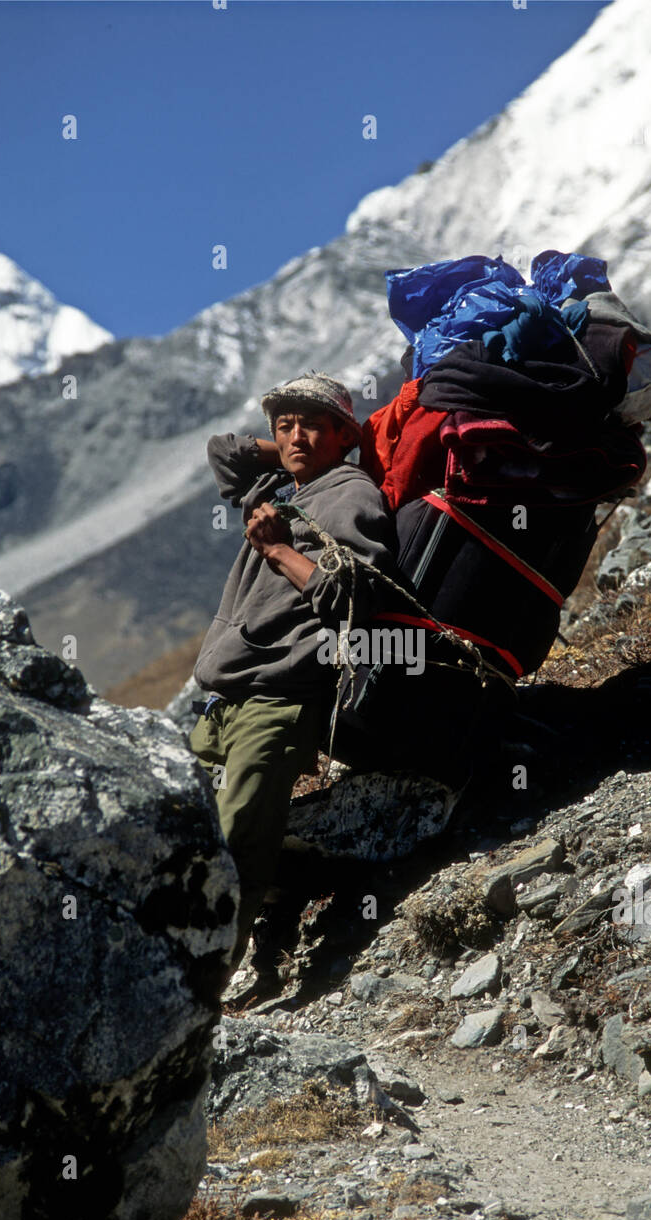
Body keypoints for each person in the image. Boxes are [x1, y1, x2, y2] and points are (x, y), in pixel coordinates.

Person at [190, 371, 397, 991]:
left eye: (312, 424)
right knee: (180, 825)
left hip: (279, 697)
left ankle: (205, 991)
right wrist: (280, 448)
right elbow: (221, 450)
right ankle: (297, 875)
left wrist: (281, 550)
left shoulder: (349, 493)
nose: (296, 435)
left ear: (344, 435)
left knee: (236, 839)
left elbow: (362, 595)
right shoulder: (281, 484)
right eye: (285, 425)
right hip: (226, 699)